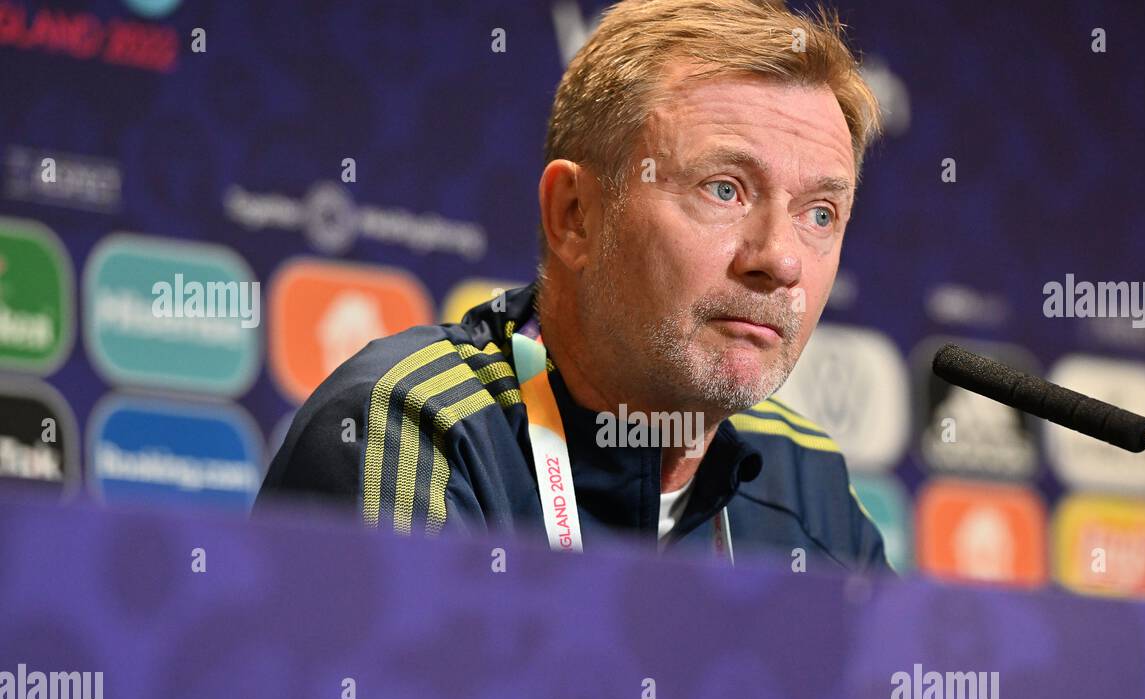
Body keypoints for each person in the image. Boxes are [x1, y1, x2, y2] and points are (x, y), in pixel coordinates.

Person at [258, 0, 892, 573]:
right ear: (575, 215)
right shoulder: (412, 432)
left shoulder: (808, 482)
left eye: (819, 214)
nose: (780, 259)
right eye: (723, 188)